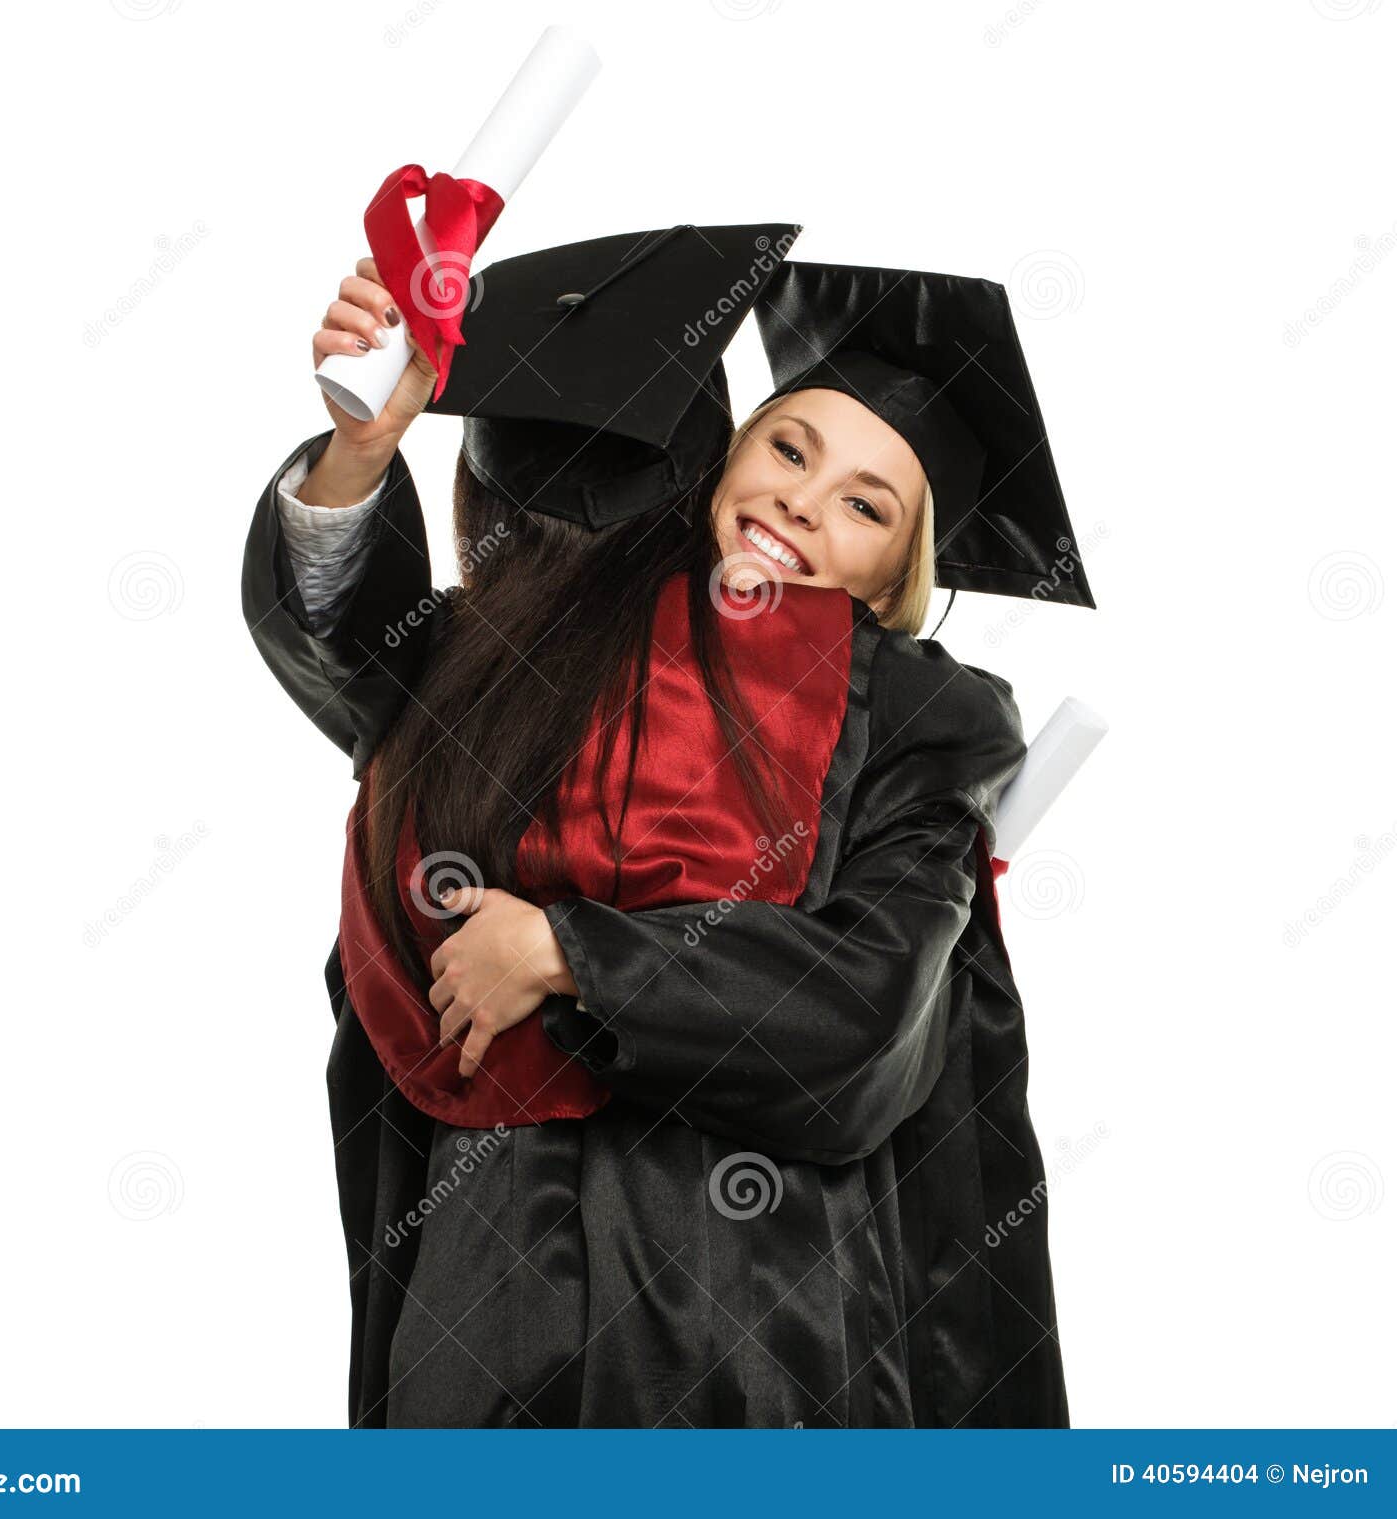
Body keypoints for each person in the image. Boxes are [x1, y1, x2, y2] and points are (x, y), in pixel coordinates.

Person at [240, 227, 1089, 1427]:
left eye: (864, 502)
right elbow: (363, 659)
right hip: (484, 1302)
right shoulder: (557, 631)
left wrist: (563, 950)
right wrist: (363, 446)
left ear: (901, 565)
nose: (801, 497)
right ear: (722, 450)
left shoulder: (914, 723)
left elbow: (862, 1008)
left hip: (756, 1321)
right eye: (789, 446)